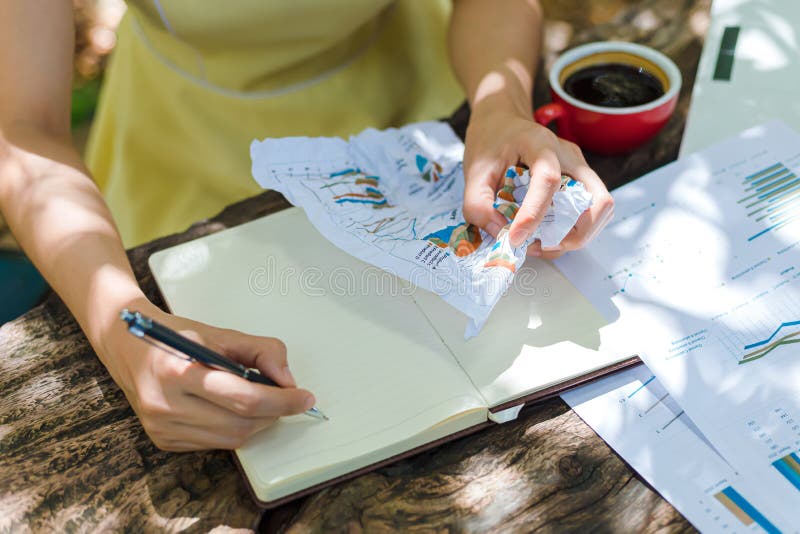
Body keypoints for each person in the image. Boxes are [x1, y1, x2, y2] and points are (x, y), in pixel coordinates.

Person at [0, 0, 613, 451]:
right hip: (191, 151)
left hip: (416, 104)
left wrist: (498, 106)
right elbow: (20, 126)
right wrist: (117, 324)